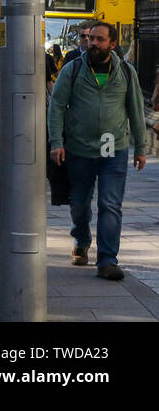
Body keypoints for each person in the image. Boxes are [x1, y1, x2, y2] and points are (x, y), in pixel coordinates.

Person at [49, 21, 147, 280]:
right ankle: (81, 240)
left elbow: (136, 110)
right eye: (91, 38)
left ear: (112, 44)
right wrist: (56, 142)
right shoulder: (73, 69)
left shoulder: (125, 71)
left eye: (99, 39)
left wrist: (141, 147)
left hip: (113, 148)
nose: (93, 43)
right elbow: (57, 106)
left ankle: (107, 260)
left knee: (109, 203)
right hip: (79, 148)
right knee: (79, 203)